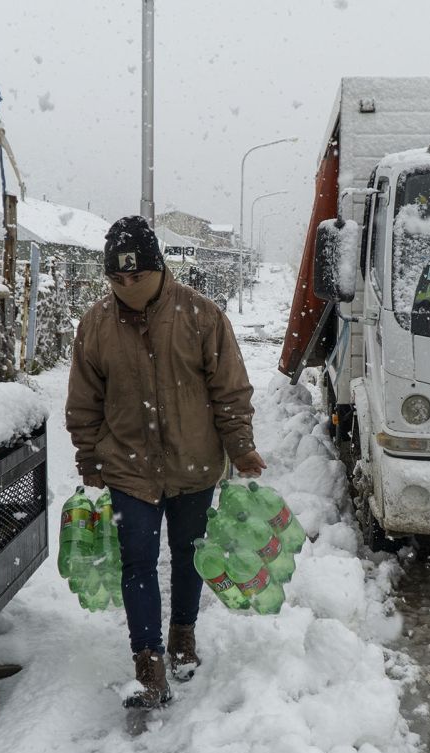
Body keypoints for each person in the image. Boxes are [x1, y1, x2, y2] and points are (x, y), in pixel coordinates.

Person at [65, 215, 267, 709]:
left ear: (159, 269)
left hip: (194, 462)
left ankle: (183, 635)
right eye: (117, 279)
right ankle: (148, 663)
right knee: (136, 562)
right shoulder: (95, 325)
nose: (127, 287)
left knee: (188, 554)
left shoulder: (201, 316)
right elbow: (84, 401)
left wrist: (239, 445)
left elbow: (230, 390)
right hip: (128, 468)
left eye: (137, 276)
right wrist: (89, 456)